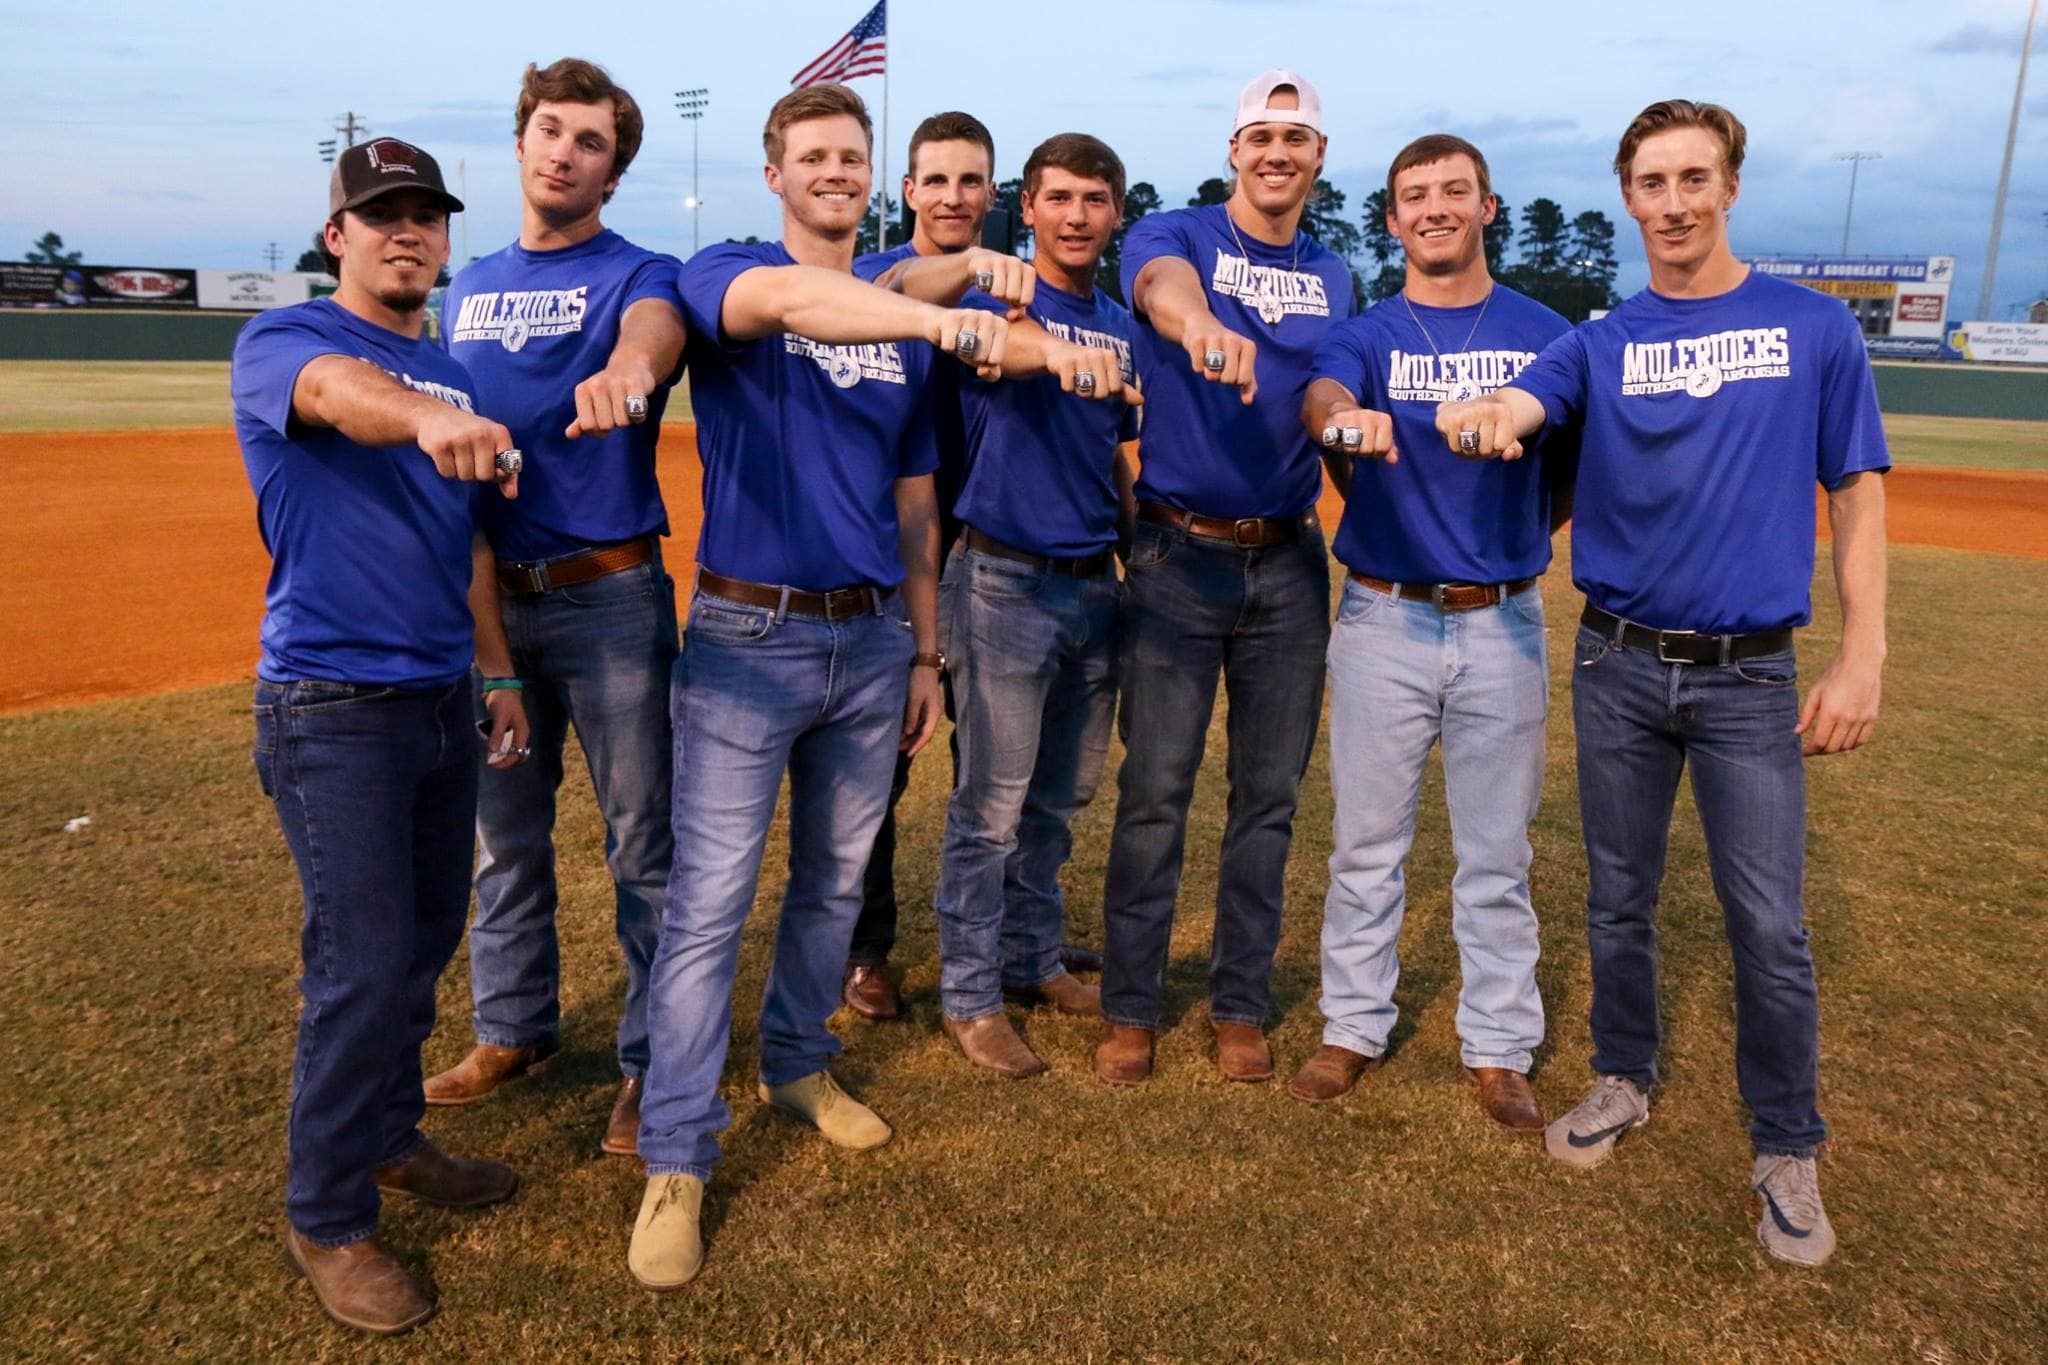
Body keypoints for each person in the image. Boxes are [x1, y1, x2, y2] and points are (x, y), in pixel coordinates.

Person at [627, 83, 1126, 1291]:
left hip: (867, 648)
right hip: (750, 632)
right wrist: (949, 319)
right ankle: (677, 1157)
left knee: (834, 881)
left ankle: (797, 1063)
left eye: (851, 157)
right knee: (709, 904)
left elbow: (917, 505)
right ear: (775, 173)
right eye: (815, 157)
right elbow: (801, 300)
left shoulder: (900, 325)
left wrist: (921, 651)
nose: (836, 173)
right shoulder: (733, 274)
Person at [1434, 99, 1888, 1267]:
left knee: (1768, 926)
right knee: (1617, 900)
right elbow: (1534, 398)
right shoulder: (1602, 338)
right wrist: (1494, 410)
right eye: (1650, 182)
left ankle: (1786, 1144)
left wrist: (1862, 653)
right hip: (1619, 664)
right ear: (1626, 195)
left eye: (1693, 178)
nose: (1672, 203)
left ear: (1729, 185)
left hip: (1747, 679)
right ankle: (1622, 1077)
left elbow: (1856, 490)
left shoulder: (1809, 330)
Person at [233, 137, 526, 1336]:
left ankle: (390, 1134)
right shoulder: (289, 344)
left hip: (437, 698)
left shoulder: (453, 371)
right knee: (357, 961)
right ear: (336, 235)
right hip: (329, 706)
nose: (407, 232)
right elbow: (338, 404)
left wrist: (497, 673)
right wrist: (414, 417)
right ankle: (328, 1213)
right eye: (381, 215)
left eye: (425, 216)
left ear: (445, 239)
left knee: (424, 938)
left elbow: (464, 548)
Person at [426, 58, 686, 1162]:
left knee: (643, 849)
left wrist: (626, 372)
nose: (564, 152)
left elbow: (657, 337)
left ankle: (651, 1062)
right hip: (495, 604)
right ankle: (512, 1028)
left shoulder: (640, 271)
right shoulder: (467, 283)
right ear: (520, 142)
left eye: (589, 141)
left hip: (609, 596)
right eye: (549, 130)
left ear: (612, 173)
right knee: (504, 840)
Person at [1292, 135, 1571, 1128]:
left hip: (1500, 620)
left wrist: (1520, 543)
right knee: (1366, 845)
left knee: (1496, 852)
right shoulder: (1369, 331)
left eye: (1454, 191)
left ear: (1487, 207)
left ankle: (1498, 1046)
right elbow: (1323, 398)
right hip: (1381, 617)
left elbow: (1567, 457)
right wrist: (1340, 425)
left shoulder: (1544, 332)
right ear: (1391, 220)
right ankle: (1350, 1027)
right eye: (1414, 196)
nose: (1434, 208)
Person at [1096, 69, 1354, 1086]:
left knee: (1267, 797)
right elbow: (1160, 292)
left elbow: (1330, 392)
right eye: (1259, 137)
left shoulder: (1336, 274)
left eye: (1294, 138)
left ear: (1317, 159)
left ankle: (1238, 1002)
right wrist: (1198, 327)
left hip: (1286, 561)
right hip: (1175, 553)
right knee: (1155, 789)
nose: (1275, 154)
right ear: (1233, 151)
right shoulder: (1177, 236)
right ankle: (1129, 1006)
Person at [842, 111, 1103, 1019]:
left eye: (969, 182)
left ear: (991, 195)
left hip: (987, 546)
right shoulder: (880, 279)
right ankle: (865, 949)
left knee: (1004, 763)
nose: (953, 197)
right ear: (907, 191)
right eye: (935, 180)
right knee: (885, 763)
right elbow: (920, 288)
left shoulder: (1017, 295)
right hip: (893, 549)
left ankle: (1014, 935)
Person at [931, 133, 1141, 1076]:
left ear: (1116, 214)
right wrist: (1053, 352)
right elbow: (998, 348)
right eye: (1058, 198)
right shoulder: (998, 299)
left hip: (1094, 585)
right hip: (1003, 580)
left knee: (1061, 798)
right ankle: (970, 993)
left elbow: (1118, 456)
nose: (1076, 216)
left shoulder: (1122, 324)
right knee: (991, 806)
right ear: (1029, 207)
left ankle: (1031, 956)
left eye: (1094, 200)